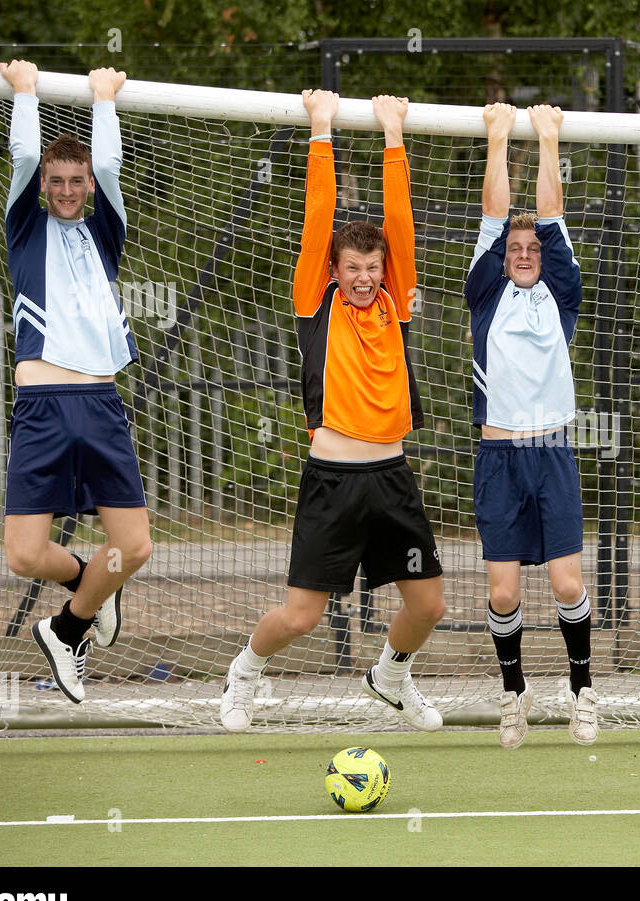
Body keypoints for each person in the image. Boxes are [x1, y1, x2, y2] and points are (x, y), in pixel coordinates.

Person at [220, 90, 446, 733]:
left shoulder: (394, 306)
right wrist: (322, 128)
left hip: (391, 478)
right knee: (302, 617)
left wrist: (393, 136)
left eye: (374, 268)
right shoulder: (316, 304)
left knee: (427, 605)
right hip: (333, 481)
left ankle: (391, 675)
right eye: (354, 268)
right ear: (334, 271)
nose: (366, 277)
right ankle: (243, 674)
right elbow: (319, 215)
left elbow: (398, 224)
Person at [0, 60, 152, 704]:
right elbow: (27, 151)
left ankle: (68, 627)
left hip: (99, 402)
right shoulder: (25, 228)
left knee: (136, 546)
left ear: (88, 184)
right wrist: (28, 92)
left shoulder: (103, 233)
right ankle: (92, 585)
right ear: (42, 186)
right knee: (25, 556)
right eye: (55, 181)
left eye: (76, 181)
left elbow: (112, 168)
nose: (66, 190)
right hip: (40, 403)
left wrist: (103, 101)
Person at [465, 103, 596, 749]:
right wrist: (496, 139)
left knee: (569, 583)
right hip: (498, 459)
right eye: (513, 248)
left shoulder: (560, 295)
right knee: (505, 593)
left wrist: (546, 138)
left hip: (552, 454)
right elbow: (497, 215)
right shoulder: (485, 294)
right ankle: (513, 693)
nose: (522, 252)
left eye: (531, 248)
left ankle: (582, 690)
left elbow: (550, 215)